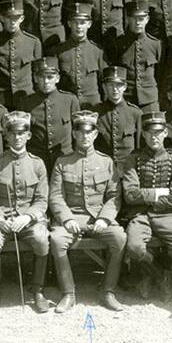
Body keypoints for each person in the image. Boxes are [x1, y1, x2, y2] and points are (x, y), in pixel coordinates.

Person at [48, 110, 125, 313]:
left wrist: (105, 219)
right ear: (74, 134)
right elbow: (55, 196)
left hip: (98, 218)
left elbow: (114, 196)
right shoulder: (62, 163)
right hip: (73, 218)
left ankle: (107, 291)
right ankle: (68, 293)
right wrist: (65, 219)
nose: (85, 136)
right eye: (80, 132)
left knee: (119, 238)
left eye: (89, 132)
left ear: (95, 134)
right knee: (57, 240)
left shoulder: (106, 162)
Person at [0, 112, 53, 313]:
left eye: (22, 133)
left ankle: (38, 290)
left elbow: (42, 200)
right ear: (6, 136)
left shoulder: (38, 164)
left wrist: (28, 217)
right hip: (1, 219)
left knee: (41, 238)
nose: (17, 137)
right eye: (13, 133)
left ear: (28, 135)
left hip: (29, 221)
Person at [120, 111, 172, 302]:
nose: (154, 136)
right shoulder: (133, 159)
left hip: (168, 215)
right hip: (140, 215)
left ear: (165, 133)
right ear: (143, 134)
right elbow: (131, 195)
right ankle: (161, 275)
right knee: (134, 247)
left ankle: (158, 271)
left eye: (158, 132)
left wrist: (146, 195)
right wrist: (161, 192)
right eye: (149, 132)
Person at [0, 0, 41, 107]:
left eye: (16, 17)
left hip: (26, 99)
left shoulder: (33, 42)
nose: (13, 21)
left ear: (22, 18)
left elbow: (37, 75)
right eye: (9, 17)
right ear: (1, 18)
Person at [23, 57, 79, 170]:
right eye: (42, 77)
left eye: (50, 77)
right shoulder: (26, 103)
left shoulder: (70, 100)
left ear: (57, 78)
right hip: (37, 161)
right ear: (35, 78)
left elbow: (78, 133)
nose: (46, 81)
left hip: (65, 159)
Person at [52, 2, 105, 108]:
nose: (79, 26)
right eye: (75, 22)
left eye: (82, 22)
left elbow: (103, 82)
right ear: (69, 23)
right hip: (66, 105)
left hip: (92, 105)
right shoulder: (58, 51)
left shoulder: (97, 51)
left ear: (89, 24)